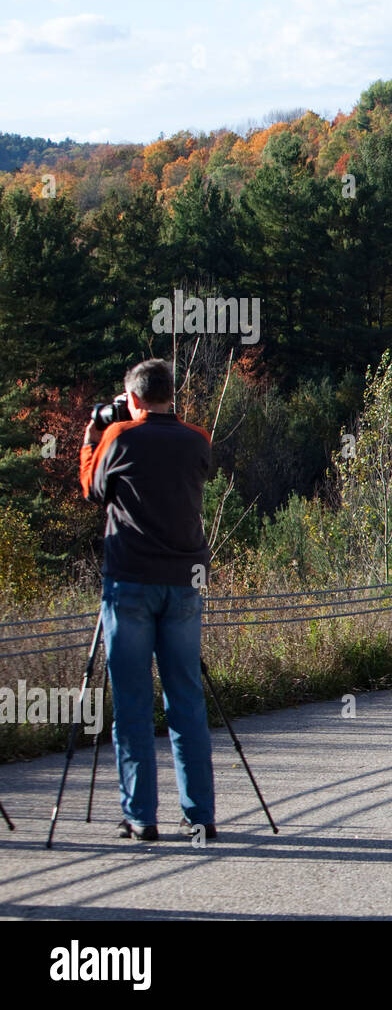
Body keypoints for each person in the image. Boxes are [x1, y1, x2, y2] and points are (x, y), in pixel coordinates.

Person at [80, 359, 217, 842]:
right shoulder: (197, 439)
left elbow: (91, 488)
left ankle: (141, 818)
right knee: (186, 701)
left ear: (133, 398)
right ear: (170, 394)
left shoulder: (119, 435)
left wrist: (93, 432)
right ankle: (199, 815)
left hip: (130, 583)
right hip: (184, 582)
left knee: (134, 705)